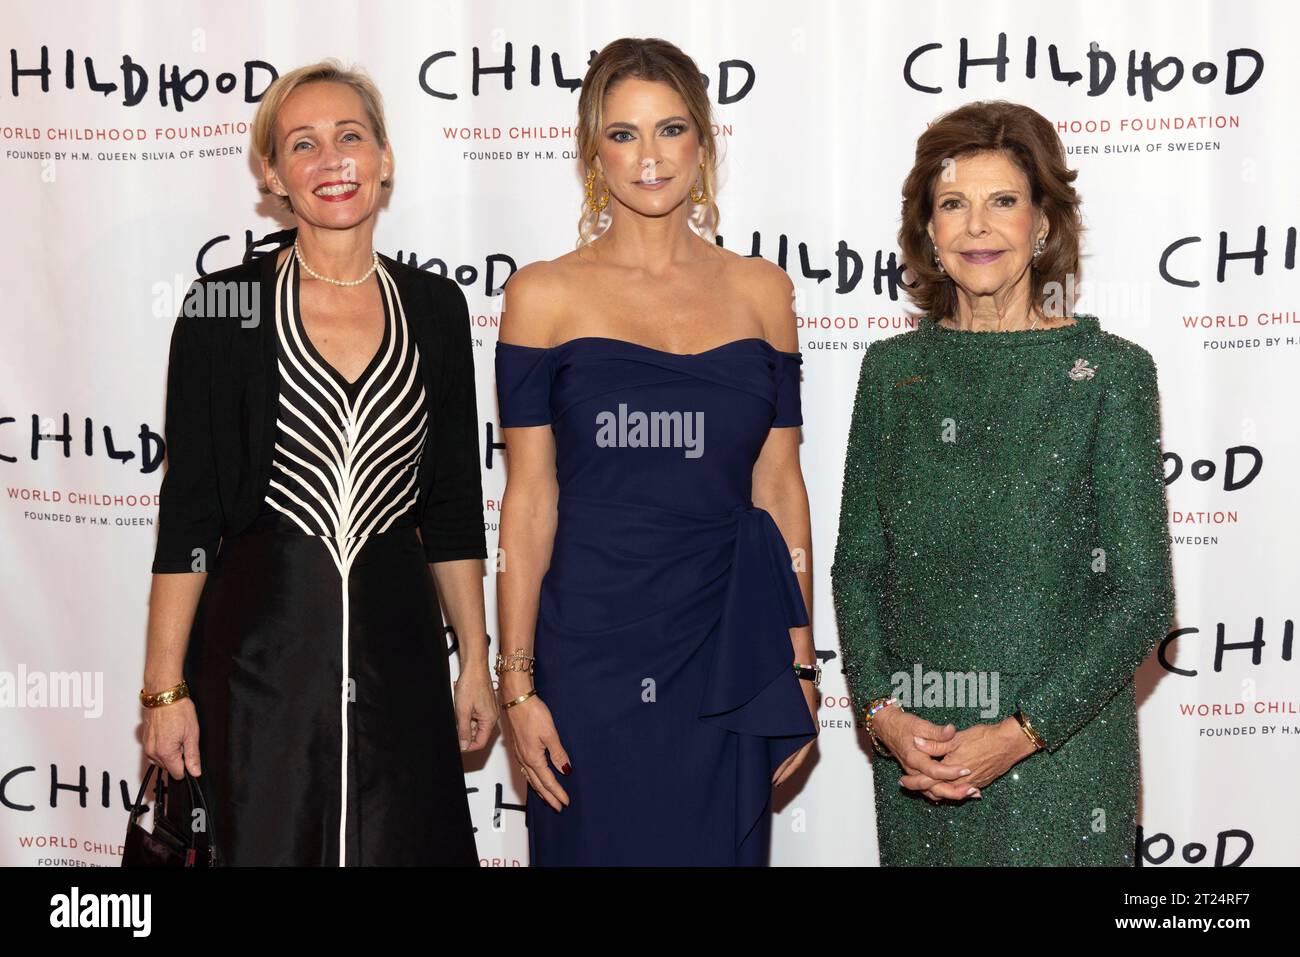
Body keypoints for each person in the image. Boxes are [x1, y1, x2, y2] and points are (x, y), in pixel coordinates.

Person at [139, 60, 495, 866]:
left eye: (350, 137)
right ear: (272, 175)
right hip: (255, 667)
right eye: (303, 144)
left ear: (385, 157)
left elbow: (449, 506)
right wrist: (165, 688)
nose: (331, 160)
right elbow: (188, 512)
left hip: (399, 658)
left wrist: (474, 658)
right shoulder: (220, 309)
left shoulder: (436, 310)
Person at [493, 38, 818, 865]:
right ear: (592, 152)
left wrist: (802, 662)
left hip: (728, 646)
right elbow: (530, 501)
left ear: (704, 144)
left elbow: (779, 483)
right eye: (623, 134)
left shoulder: (761, 291)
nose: (649, 157)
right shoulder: (543, 295)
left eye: (670, 130)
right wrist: (518, 681)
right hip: (592, 649)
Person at [831, 100, 1176, 865]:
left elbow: (1142, 595)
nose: (976, 227)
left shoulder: (1110, 375)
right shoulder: (892, 375)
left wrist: (1021, 731)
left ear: (1044, 223)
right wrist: (883, 714)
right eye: (953, 204)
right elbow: (858, 564)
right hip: (925, 760)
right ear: (928, 229)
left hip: (1064, 762)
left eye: (1003, 202)